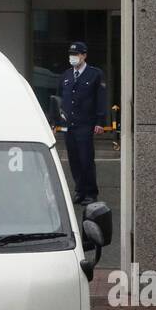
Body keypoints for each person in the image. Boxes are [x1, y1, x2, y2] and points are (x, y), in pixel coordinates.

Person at [58, 41, 107, 205]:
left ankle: (91, 193)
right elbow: (59, 98)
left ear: (84, 55)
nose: (73, 58)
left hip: (86, 123)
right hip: (69, 124)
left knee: (86, 158)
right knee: (74, 159)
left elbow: (100, 99)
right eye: (71, 55)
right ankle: (79, 190)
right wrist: (55, 120)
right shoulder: (66, 75)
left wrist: (100, 121)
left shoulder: (95, 74)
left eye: (76, 54)